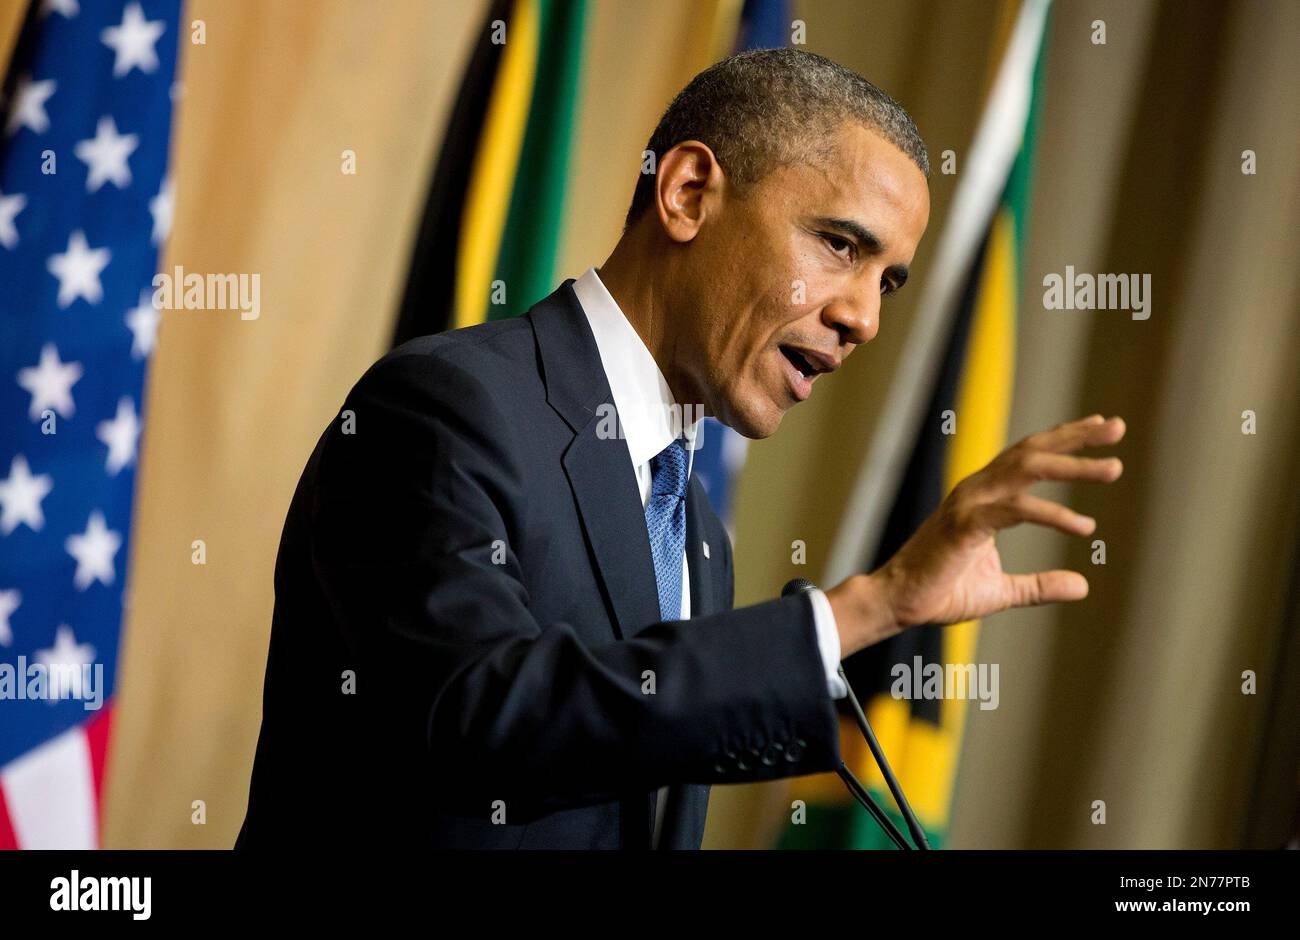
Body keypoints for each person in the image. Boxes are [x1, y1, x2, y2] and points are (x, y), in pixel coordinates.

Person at [235, 48, 1125, 850]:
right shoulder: (448, 408)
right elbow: (481, 716)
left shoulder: (697, 530)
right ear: (689, 193)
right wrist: (871, 608)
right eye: (839, 244)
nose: (864, 318)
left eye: (886, 279)